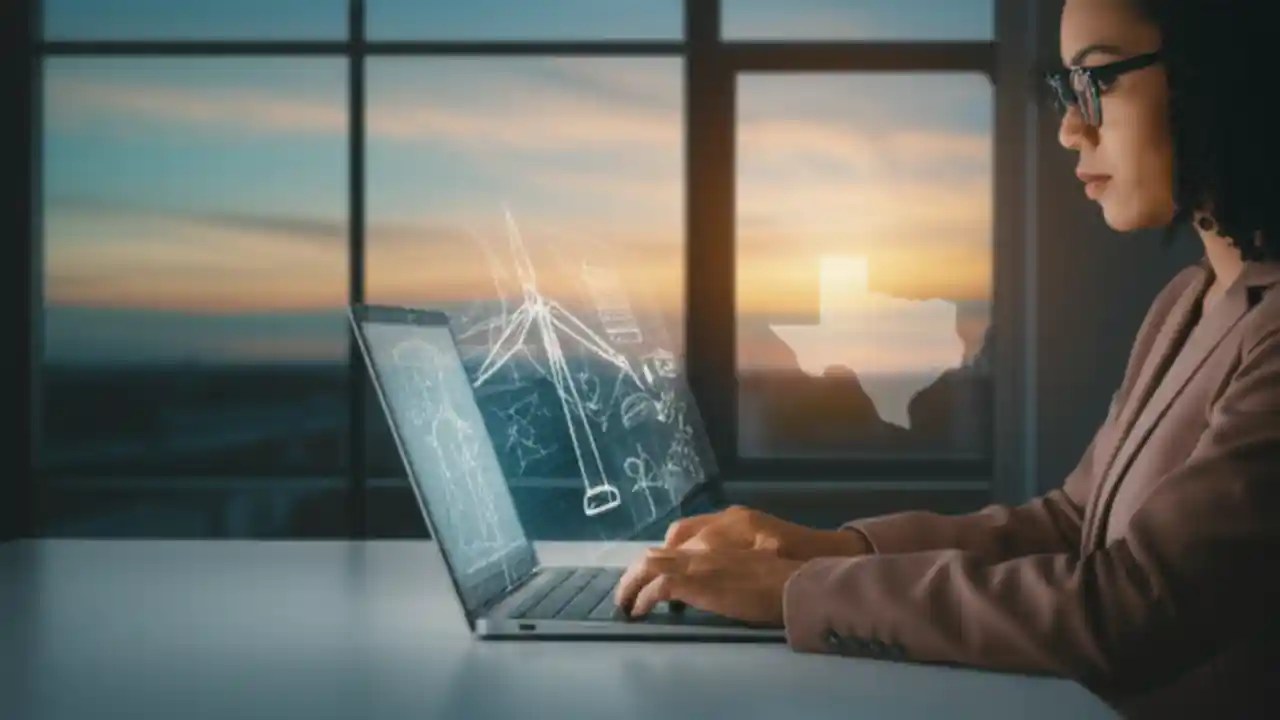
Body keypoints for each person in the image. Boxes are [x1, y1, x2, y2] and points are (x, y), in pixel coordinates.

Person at [615, 0, 1279, 716]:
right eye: (1065, 89)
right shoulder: (1189, 301)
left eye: (1098, 81)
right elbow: (1068, 523)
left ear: (1210, 73)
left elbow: (1130, 608)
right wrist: (821, 549)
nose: (1068, 128)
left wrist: (793, 592)